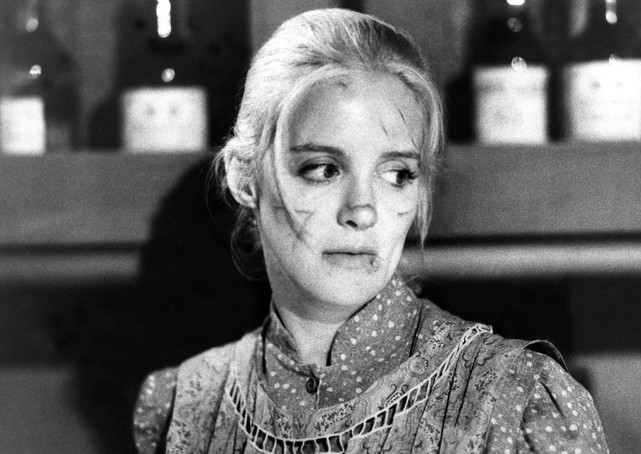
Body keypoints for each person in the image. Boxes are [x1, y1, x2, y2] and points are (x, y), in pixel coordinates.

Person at [133, 8, 608, 454]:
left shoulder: (517, 401)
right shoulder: (184, 407)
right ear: (244, 178)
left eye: (397, 174)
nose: (362, 211)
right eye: (323, 169)